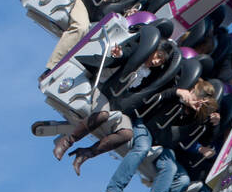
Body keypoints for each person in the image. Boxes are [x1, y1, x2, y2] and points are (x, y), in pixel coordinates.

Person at [51, 39, 176, 171]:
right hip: (104, 89)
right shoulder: (137, 50)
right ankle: (67, 141)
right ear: (153, 49)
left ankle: (85, 153)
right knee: (102, 115)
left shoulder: (148, 73)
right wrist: (119, 54)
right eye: (158, 56)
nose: (156, 62)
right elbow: (125, 54)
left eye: (161, 62)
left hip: (118, 102)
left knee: (127, 134)